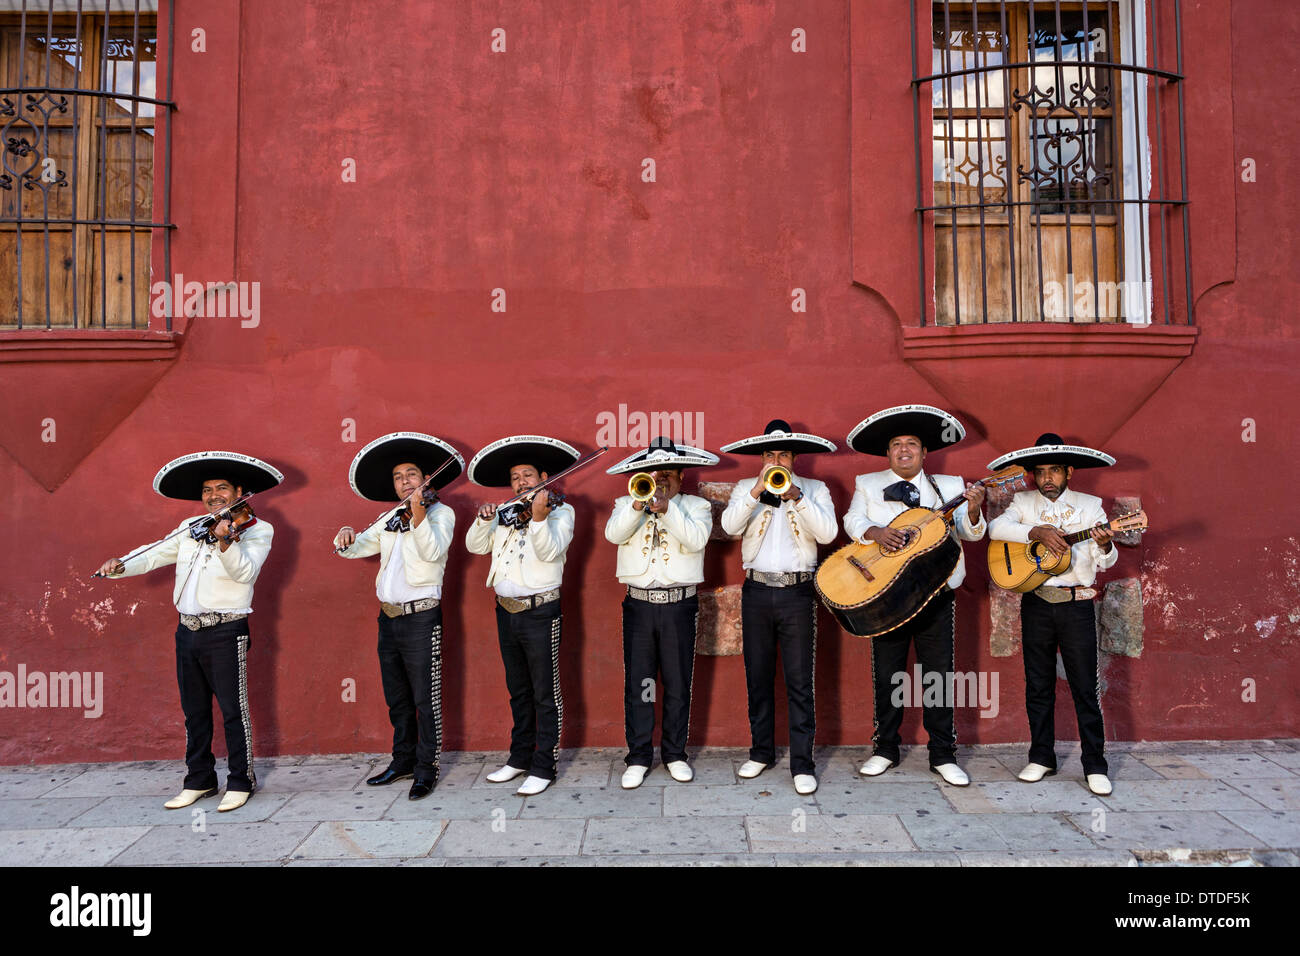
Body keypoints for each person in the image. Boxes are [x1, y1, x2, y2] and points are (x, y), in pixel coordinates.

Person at [96, 450, 281, 812]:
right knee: (194, 711)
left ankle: (240, 781)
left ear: (239, 491)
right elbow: (152, 553)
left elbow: (244, 573)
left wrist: (226, 540)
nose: (214, 495)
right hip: (188, 631)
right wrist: (121, 565)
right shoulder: (190, 526)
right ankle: (199, 779)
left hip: (227, 630)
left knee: (233, 710)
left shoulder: (257, 529)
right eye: (208, 490)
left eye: (222, 488)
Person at [842, 405, 986, 787]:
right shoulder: (868, 483)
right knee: (887, 673)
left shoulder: (951, 486)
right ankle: (885, 748)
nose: (903, 450)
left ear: (925, 453)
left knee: (938, 675)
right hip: (887, 596)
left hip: (936, 595)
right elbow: (852, 521)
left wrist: (972, 511)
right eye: (895, 445)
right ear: (887, 453)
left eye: (911, 444)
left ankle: (942, 753)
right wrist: (875, 532)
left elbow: (970, 536)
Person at [987, 433, 1118, 796]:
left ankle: (1095, 764)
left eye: (1055, 471)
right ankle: (1041, 756)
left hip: (1076, 605)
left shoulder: (1091, 506)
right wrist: (1036, 531)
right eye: (1041, 472)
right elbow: (996, 529)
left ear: (1069, 472)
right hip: (1037, 603)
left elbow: (1105, 561)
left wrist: (1105, 543)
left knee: (1083, 687)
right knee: (1038, 685)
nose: (1047, 478)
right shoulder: (1023, 501)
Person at [334, 432, 461, 801]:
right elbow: (357, 547)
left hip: (422, 618)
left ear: (426, 480)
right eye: (398, 478)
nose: (405, 482)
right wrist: (344, 536)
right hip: (388, 618)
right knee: (398, 697)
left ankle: (427, 768)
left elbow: (432, 550)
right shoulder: (389, 517)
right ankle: (402, 760)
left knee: (426, 697)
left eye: (411, 475)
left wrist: (419, 512)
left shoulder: (442, 514)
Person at [720, 419, 839, 795]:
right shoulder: (745, 487)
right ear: (762, 457)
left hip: (798, 592)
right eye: (770, 454)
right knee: (758, 675)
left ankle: (802, 764)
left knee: (800, 680)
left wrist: (797, 498)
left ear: (794, 457)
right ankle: (761, 752)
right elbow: (728, 524)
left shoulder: (815, 489)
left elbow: (828, 534)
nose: (777, 460)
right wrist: (756, 491)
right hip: (756, 591)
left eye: (783, 454)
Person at [465, 435, 579, 797]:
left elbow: (549, 551)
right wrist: (484, 520)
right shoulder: (504, 512)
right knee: (518, 689)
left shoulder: (562, 511)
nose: (520, 483)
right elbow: (474, 546)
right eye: (515, 478)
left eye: (527, 475)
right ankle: (518, 758)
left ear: (543, 477)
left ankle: (544, 765)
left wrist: (540, 518)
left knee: (546, 692)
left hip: (541, 611)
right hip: (506, 610)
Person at [604, 437, 718, 789]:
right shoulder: (627, 501)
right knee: (640, 683)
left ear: (680, 476)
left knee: (677, 682)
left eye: (668, 473)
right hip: (638, 603)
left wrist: (668, 508)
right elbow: (614, 534)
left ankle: (674, 754)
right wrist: (639, 505)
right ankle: (638, 757)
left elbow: (696, 540)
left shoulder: (696, 506)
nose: (660, 478)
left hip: (679, 605)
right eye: (654, 473)